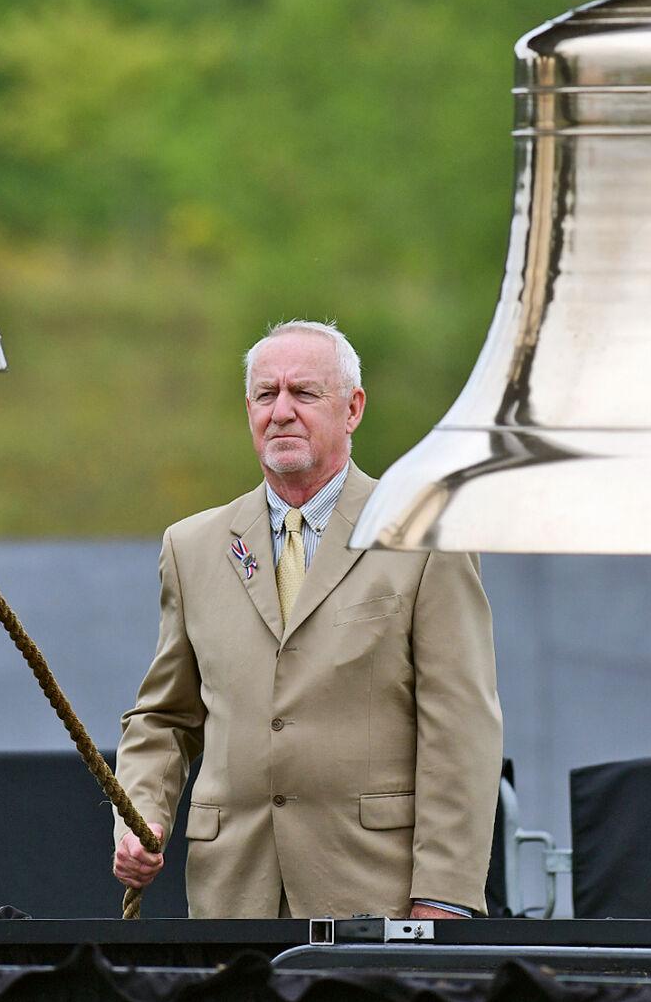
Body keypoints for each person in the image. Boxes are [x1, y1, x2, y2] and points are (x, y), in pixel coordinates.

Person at [112, 319, 502, 919]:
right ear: (249, 410)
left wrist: (444, 894)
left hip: (376, 896)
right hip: (232, 900)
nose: (283, 411)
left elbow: (461, 725)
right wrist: (140, 815)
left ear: (353, 408)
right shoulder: (191, 547)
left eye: (305, 393)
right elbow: (164, 717)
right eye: (267, 395)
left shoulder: (423, 537)